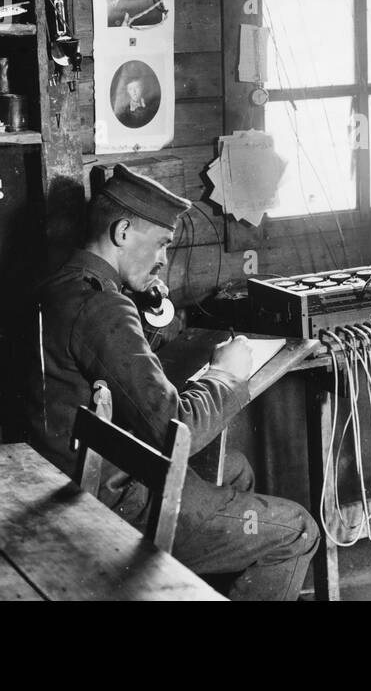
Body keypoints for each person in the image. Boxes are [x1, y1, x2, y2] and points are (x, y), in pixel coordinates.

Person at [24, 164, 319, 600]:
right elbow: (172, 430)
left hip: (58, 473)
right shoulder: (102, 305)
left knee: (233, 467)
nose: (164, 258)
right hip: (106, 499)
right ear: (123, 232)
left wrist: (152, 311)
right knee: (297, 531)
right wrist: (225, 374)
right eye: (161, 244)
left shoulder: (62, 286)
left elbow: (113, 347)